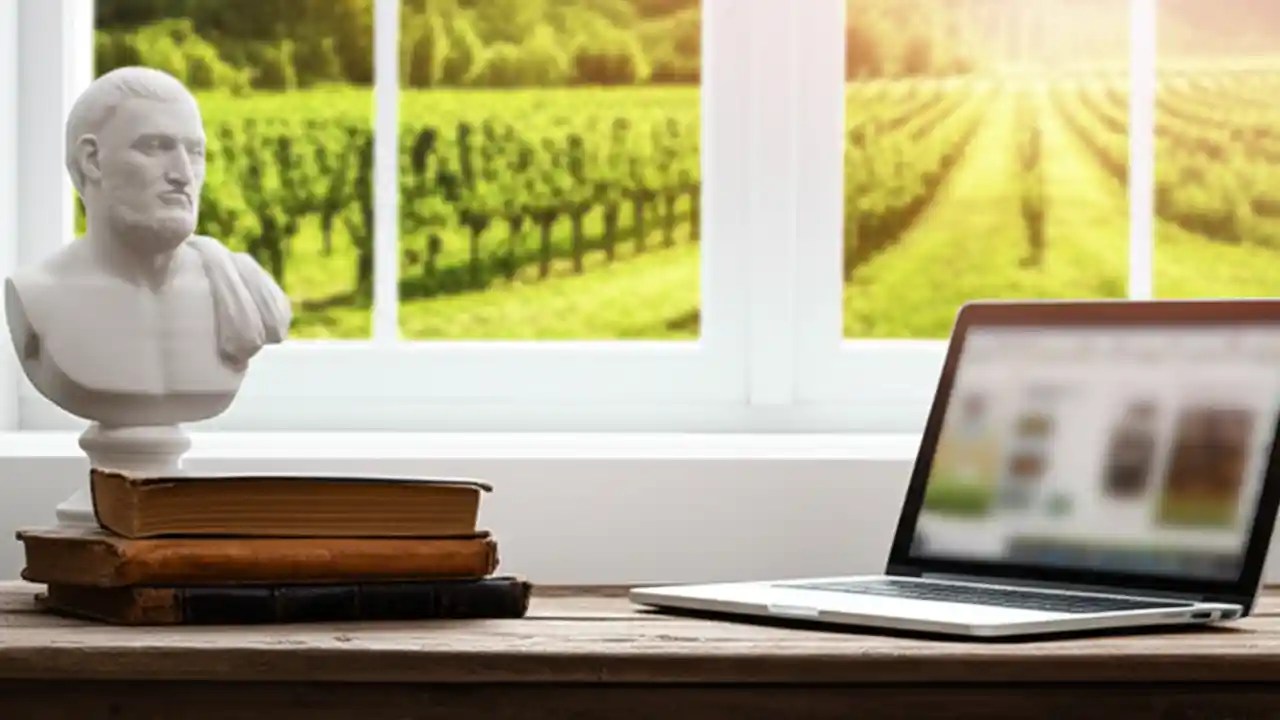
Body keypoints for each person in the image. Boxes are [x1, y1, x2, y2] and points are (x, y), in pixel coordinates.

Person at [4, 66, 291, 430]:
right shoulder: (39, 297)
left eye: (196, 152)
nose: (183, 174)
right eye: (155, 147)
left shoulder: (240, 289)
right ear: (93, 161)